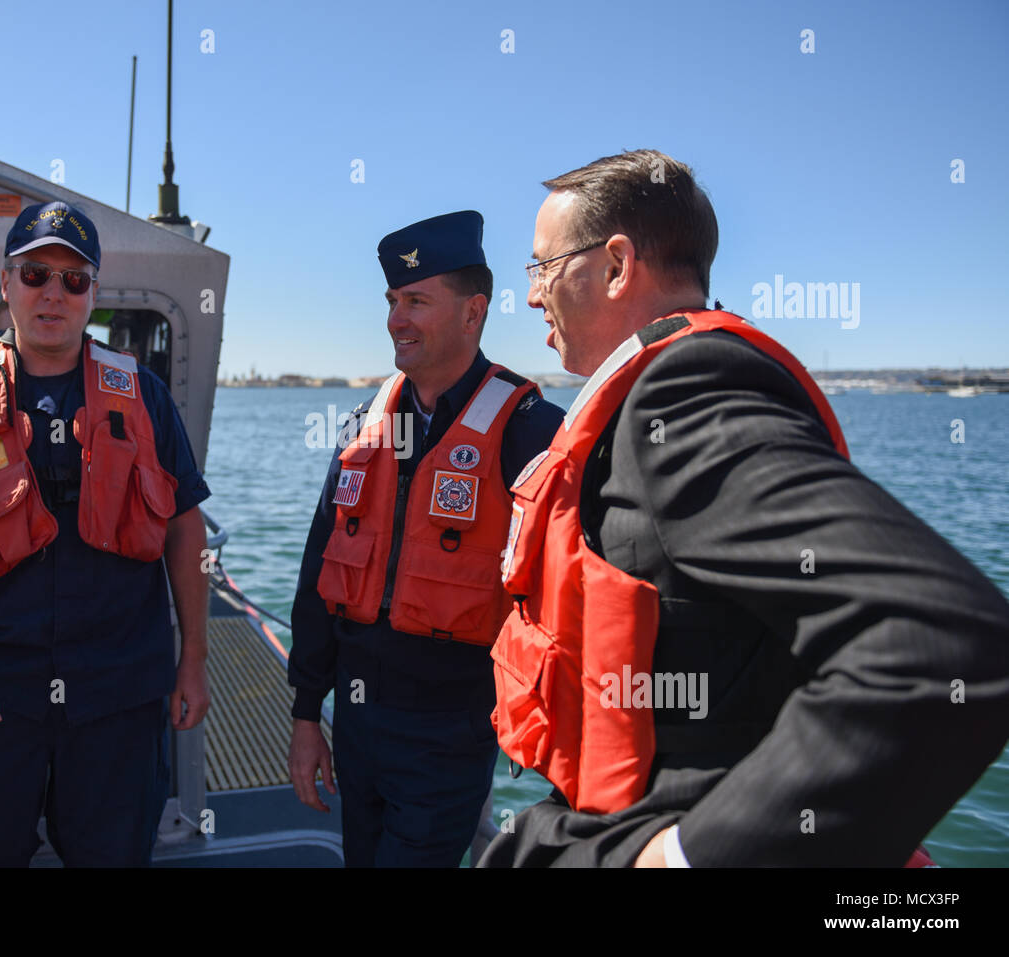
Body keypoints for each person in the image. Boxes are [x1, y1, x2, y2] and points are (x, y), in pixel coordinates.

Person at [481, 149, 1009, 867]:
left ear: (615, 265)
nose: (534, 292)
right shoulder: (650, 395)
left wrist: (685, 857)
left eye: (542, 266)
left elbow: (939, 639)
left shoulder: (685, 392)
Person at [0, 201, 211, 866]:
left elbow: (184, 527)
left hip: (119, 698)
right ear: (6, 284)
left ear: (93, 293)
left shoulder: (144, 397)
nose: (54, 292)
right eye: (35, 274)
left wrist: (194, 659)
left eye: (74, 279)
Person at [288, 210, 565, 866]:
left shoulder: (531, 431)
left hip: (451, 728)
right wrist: (306, 714)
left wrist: (548, 722)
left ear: (473, 313)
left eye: (416, 300)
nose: (396, 318)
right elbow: (317, 577)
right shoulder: (364, 426)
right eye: (391, 301)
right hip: (355, 723)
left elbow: (567, 597)